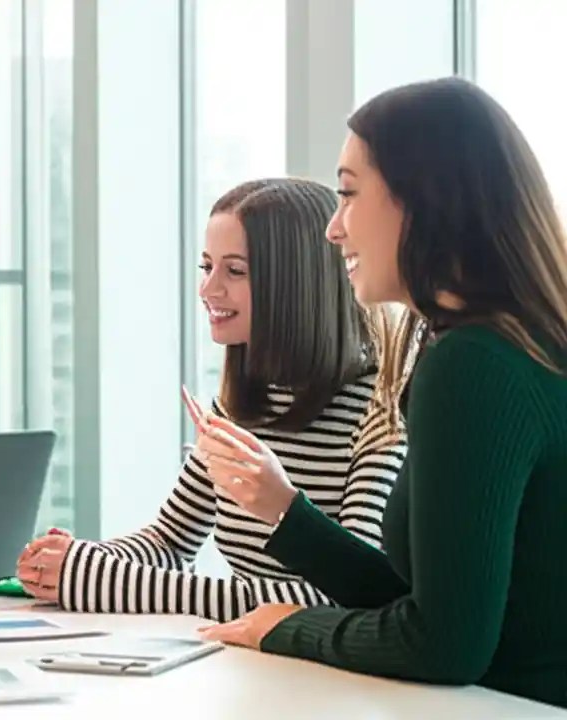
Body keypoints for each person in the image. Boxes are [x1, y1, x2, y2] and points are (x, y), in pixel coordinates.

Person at [198, 78, 567, 709]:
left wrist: (288, 629)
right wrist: (289, 514)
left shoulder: (473, 364)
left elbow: (443, 646)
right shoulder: (495, 345)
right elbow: (425, 604)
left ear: (423, 201)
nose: (333, 230)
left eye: (347, 195)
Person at [16, 178, 406, 621]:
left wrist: (101, 579)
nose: (208, 290)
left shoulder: (381, 412)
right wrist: (79, 560)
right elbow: (169, 542)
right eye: (207, 267)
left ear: (297, 283)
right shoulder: (241, 402)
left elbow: (348, 595)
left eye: (235, 271)